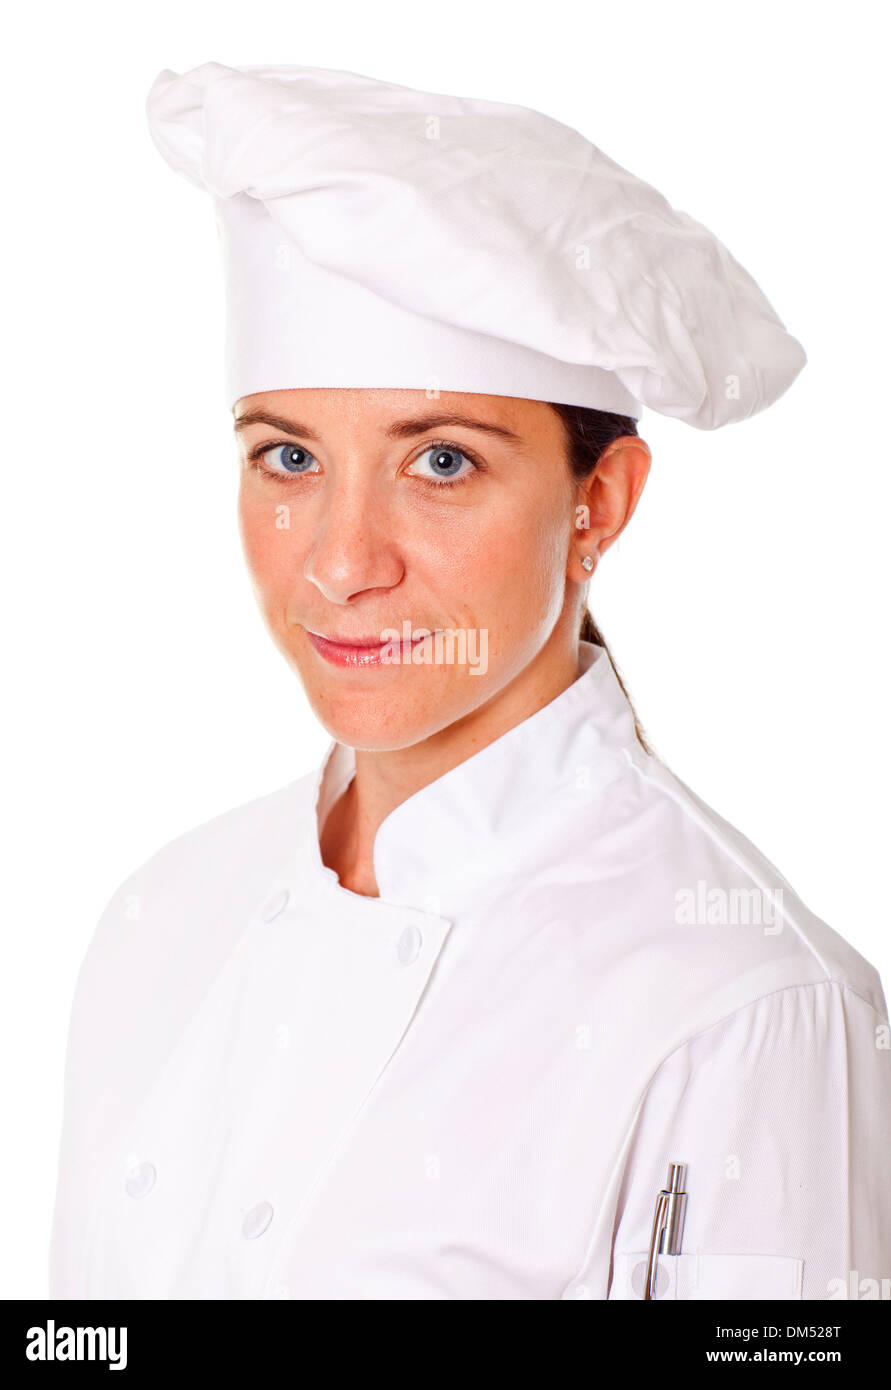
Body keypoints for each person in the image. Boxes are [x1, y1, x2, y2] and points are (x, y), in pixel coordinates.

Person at [49, 60, 891, 1301]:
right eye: (287, 455)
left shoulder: (743, 1009)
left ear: (596, 504)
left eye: (440, 461)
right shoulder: (161, 916)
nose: (340, 563)